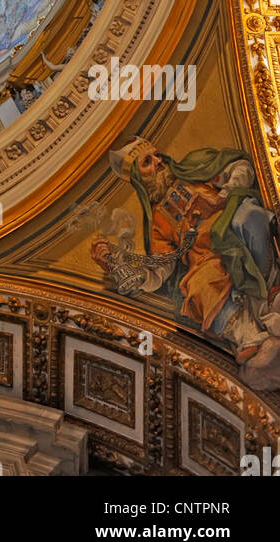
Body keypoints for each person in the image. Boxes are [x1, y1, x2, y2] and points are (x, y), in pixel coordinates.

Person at [91, 136, 280, 369]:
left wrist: (221, 198)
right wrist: (115, 265)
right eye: (147, 162)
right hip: (206, 258)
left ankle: (269, 290)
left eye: (156, 155)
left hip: (231, 224)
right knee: (199, 285)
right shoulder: (159, 222)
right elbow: (158, 273)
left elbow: (242, 167)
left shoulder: (195, 170)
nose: (158, 162)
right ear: (140, 180)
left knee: (249, 216)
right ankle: (249, 338)